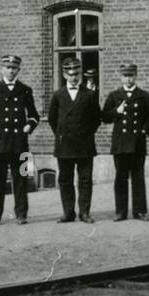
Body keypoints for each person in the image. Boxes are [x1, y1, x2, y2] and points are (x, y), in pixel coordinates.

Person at [0, 54, 40, 226]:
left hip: (20, 142)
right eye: (8, 68)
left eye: (14, 68)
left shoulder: (26, 90)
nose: (11, 71)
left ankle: (21, 214)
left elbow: (34, 115)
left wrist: (29, 126)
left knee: (21, 179)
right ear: (2, 69)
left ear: (18, 70)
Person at [48, 57, 101, 223]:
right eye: (70, 74)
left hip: (84, 144)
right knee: (65, 179)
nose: (74, 77)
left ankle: (84, 212)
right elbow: (52, 119)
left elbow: (96, 119)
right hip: (65, 144)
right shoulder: (58, 95)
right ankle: (68, 212)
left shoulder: (90, 94)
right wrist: (62, 134)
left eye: (77, 73)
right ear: (64, 75)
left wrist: (85, 133)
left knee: (85, 179)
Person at [102, 62, 149, 221]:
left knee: (138, 178)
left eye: (131, 76)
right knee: (121, 178)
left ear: (136, 76)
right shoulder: (114, 95)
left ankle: (139, 211)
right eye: (125, 76)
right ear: (121, 77)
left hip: (137, 143)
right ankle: (121, 211)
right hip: (121, 143)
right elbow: (104, 117)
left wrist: (144, 130)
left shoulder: (143, 95)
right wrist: (116, 112)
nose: (129, 79)